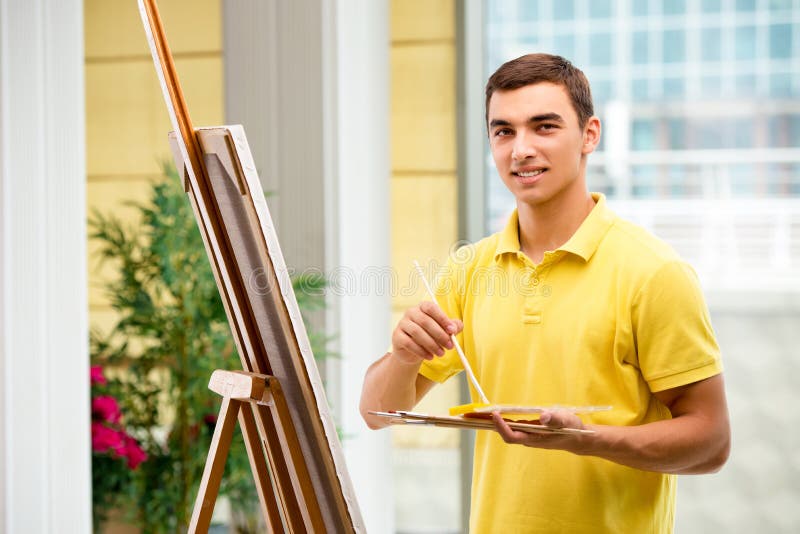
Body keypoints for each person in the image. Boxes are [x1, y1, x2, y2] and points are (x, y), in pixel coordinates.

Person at [360, 53, 730, 533]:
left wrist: (589, 440)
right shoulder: (470, 269)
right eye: (504, 131)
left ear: (589, 135)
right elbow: (375, 414)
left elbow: (712, 441)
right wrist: (403, 356)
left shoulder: (654, 272)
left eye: (544, 127)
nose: (521, 149)